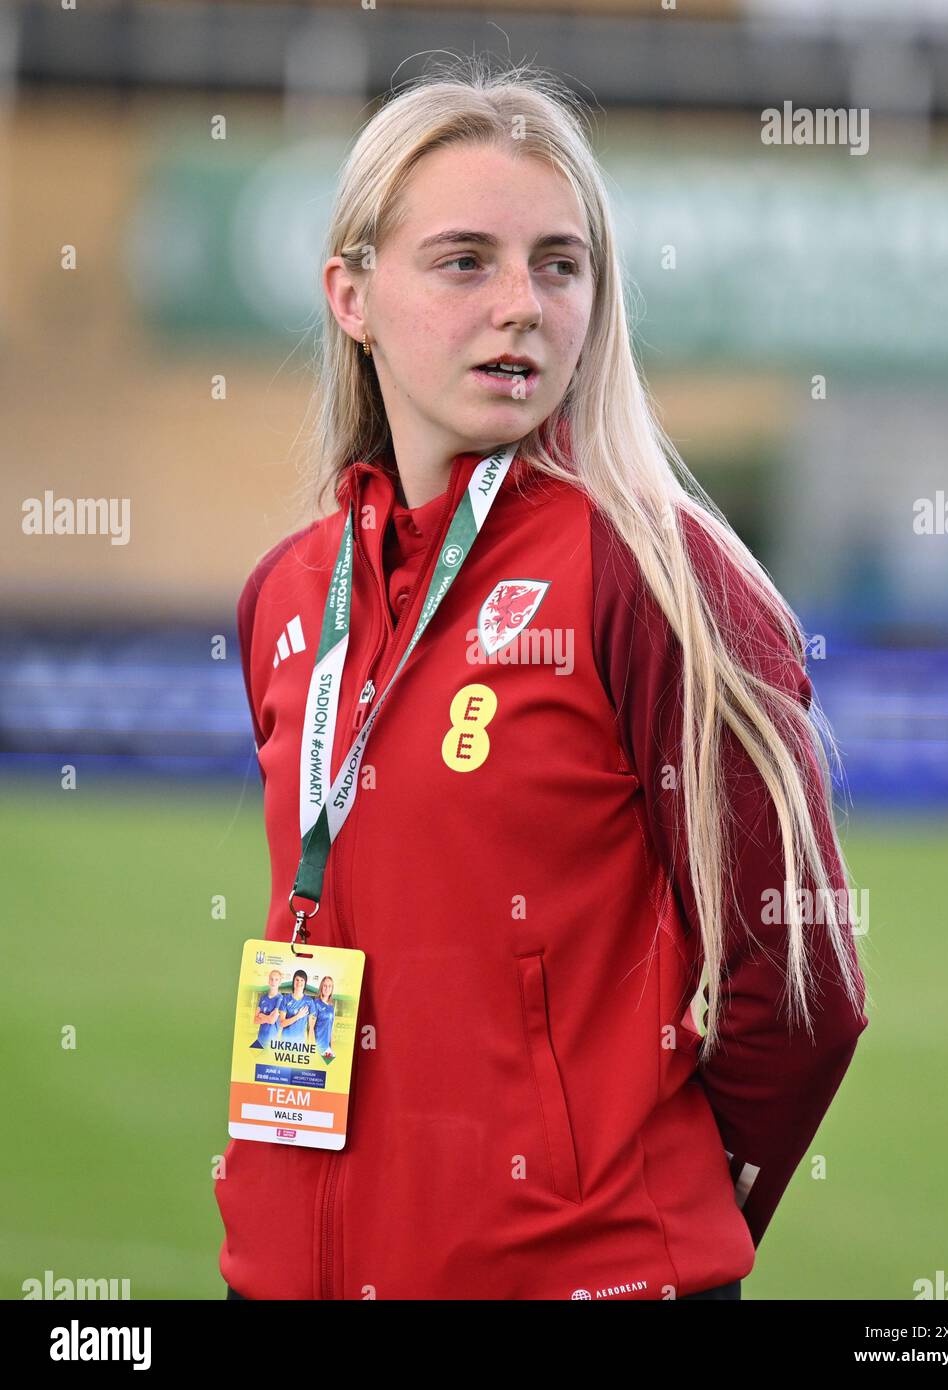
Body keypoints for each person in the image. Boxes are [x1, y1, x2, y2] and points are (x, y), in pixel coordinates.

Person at [215, 56, 869, 1302]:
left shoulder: (660, 576)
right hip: (289, 1270)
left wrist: (641, 1213)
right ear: (350, 296)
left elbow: (800, 988)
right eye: (465, 262)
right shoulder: (290, 595)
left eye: (558, 265)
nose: (521, 304)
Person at [249, 968, 284, 1049]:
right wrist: (268, 1018)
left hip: (271, 1041)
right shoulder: (263, 998)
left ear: (280, 982)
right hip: (260, 1038)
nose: (273, 982)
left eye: (276, 980)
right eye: (271, 979)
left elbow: (272, 1021)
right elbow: (254, 1020)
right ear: (268, 981)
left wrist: (261, 1015)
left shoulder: (280, 998)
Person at [309, 976, 337, 1062]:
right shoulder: (315, 1003)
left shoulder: (331, 1006)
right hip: (318, 1047)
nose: (327, 988)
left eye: (329, 986)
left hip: (327, 1048)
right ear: (321, 987)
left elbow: (330, 1028)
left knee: (329, 1071)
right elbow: (311, 1028)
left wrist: (331, 1046)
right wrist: (312, 1048)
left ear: (332, 989)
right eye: (325, 985)